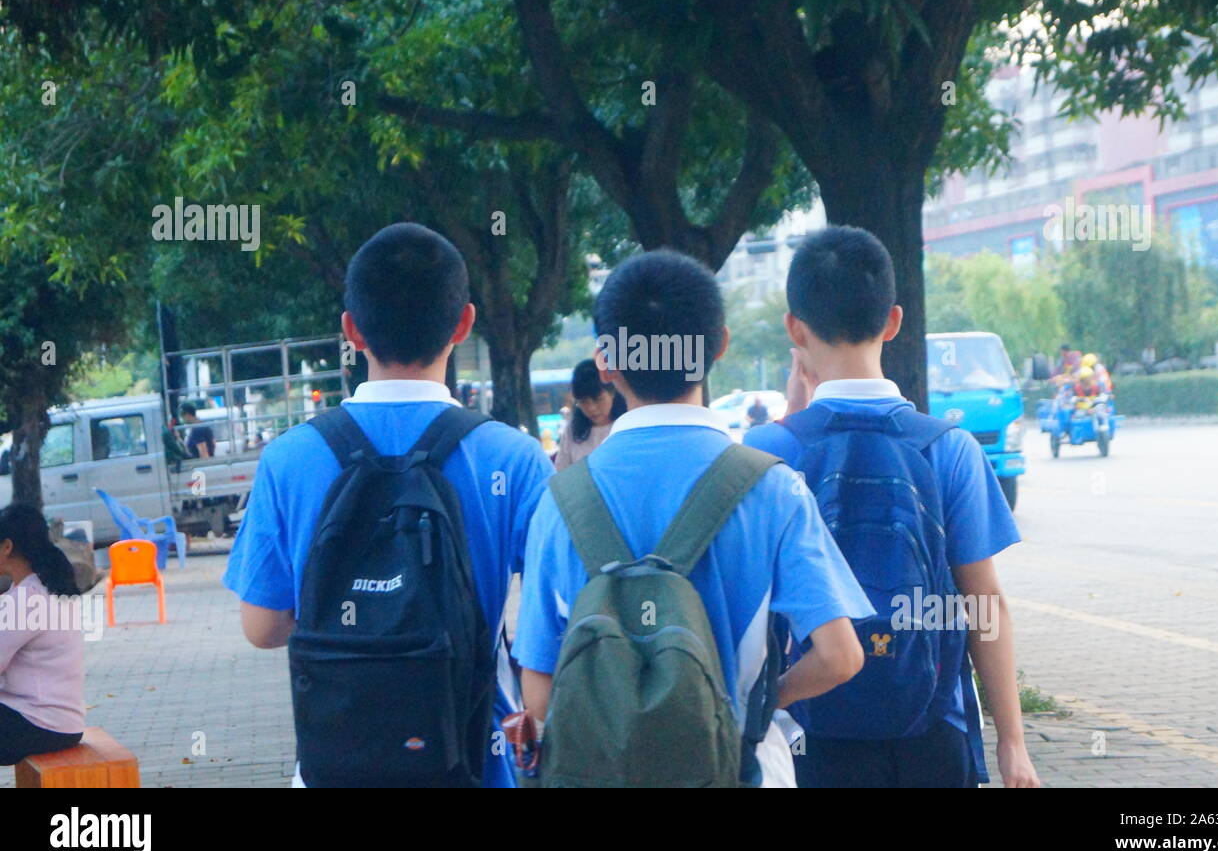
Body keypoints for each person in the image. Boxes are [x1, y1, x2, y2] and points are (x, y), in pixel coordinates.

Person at [515, 250, 871, 787]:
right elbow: (841, 657)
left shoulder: (560, 500)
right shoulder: (772, 488)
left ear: (606, 362)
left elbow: (539, 693)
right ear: (720, 346)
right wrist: (758, 701)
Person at [222, 223, 554, 787]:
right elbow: (557, 611)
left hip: (336, 762)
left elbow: (263, 626)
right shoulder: (514, 457)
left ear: (352, 330)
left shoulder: (290, 458)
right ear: (464, 323)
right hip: (472, 758)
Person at [746, 226, 1041, 788]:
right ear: (894, 322)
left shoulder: (767, 453)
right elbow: (985, 605)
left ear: (794, 329)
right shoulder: (948, 449)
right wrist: (1012, 744)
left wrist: (790, 414)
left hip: (809, 732)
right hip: (931, 731)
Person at [0, 504, 85, 766]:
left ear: (7, 547)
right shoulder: (41, 586)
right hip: (56, 721)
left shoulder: (27, 599)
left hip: (40, 724)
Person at [553, 359, 626, 470]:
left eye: (598, 400)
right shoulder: (572, 431)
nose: (591, 408)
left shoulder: (625, 426)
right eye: (583, 402)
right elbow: (561, 471)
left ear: (612, 392)